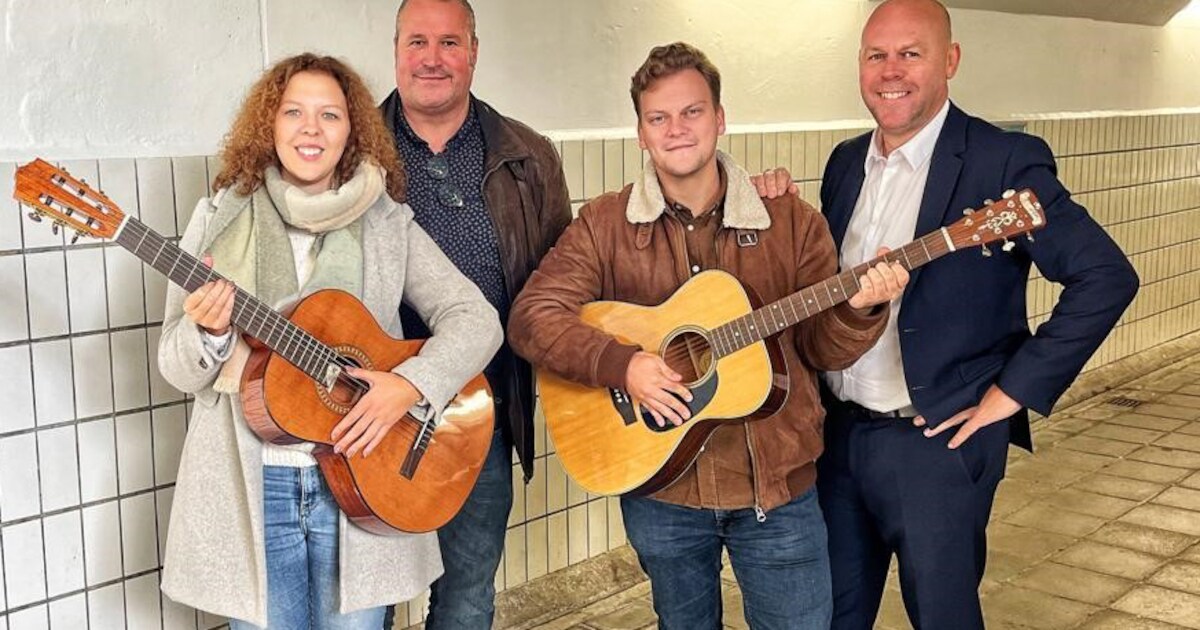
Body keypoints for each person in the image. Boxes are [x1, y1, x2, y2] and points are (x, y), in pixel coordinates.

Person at [757, 1, 1139, 627]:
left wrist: (1010, 393)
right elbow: (827, 292)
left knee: (942, 617)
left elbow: (1105, 277)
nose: (890, 71)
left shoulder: (1002, 161)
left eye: (911, 53)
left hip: (937, 443)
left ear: (950, 61)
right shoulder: (845, 162)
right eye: (876, 55)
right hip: (836, 438)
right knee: (827, 616)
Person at [508, 42, 908, 630]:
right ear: (640, 133)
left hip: (777, 491)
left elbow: (822, 349)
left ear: (720, 119)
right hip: (663, 493)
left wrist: (862, 309)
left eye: (692, 112)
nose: (676, 130)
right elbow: (532, 315)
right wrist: (622, 365)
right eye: (658, 118)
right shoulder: (605, 223)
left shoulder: (790, 220)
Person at [156, 53, 502, 629]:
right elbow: (175, 365)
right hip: (252, 485)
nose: (310, 129)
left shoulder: (387, 223)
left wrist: (410, 385)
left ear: (353, 131)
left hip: (364, 476)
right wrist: (210, 334)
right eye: (293, 112)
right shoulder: (217, 216)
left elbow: (477, 317)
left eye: (329, 115)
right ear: (270, 125)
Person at [378, 0, 572, 627]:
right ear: (396, 50)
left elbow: (563, 282)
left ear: (474, 52)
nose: (432, 59)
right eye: (417, 42)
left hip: (478, 413)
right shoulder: (351, 149)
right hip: (365, 411)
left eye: (449, 43)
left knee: (466, 594)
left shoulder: (530, 157)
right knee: (367, 599)